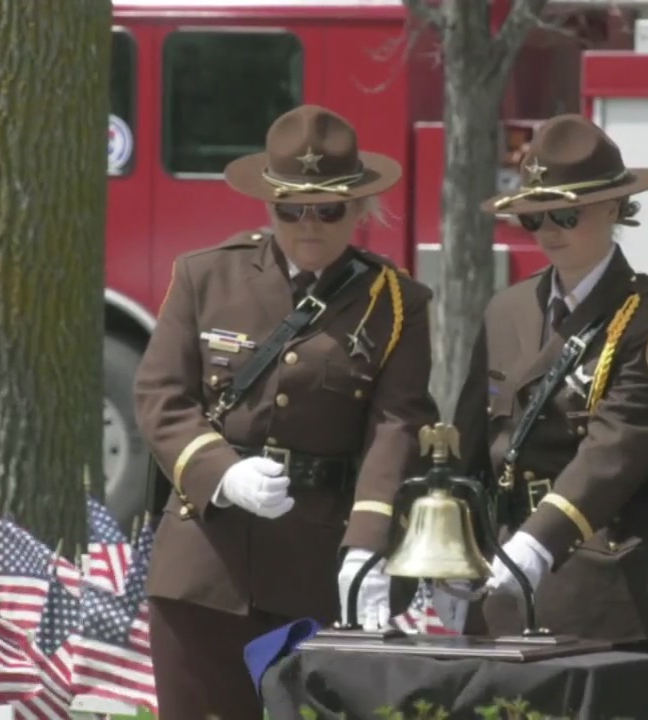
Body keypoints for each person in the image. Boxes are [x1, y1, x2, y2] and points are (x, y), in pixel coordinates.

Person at [134, 104, 439, 720]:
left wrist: (369, 542)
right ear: (267, 205)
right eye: (290, 209)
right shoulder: (205, 276)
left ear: (358, 208)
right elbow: (161, 396)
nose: (308, 225)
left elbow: (397, 424)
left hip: (316, 562)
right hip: (205, 561)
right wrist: (220, 471)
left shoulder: (395, 302)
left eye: (327, 208)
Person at [452, 114, 648, 665]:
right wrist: (451, 548)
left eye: (565, 214)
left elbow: (619, 447)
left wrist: (538, 543)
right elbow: (472, 441)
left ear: (613, 207)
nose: (549, 231)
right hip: (505, 574)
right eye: (534, 218)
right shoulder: (508, 308)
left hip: (599, 579)